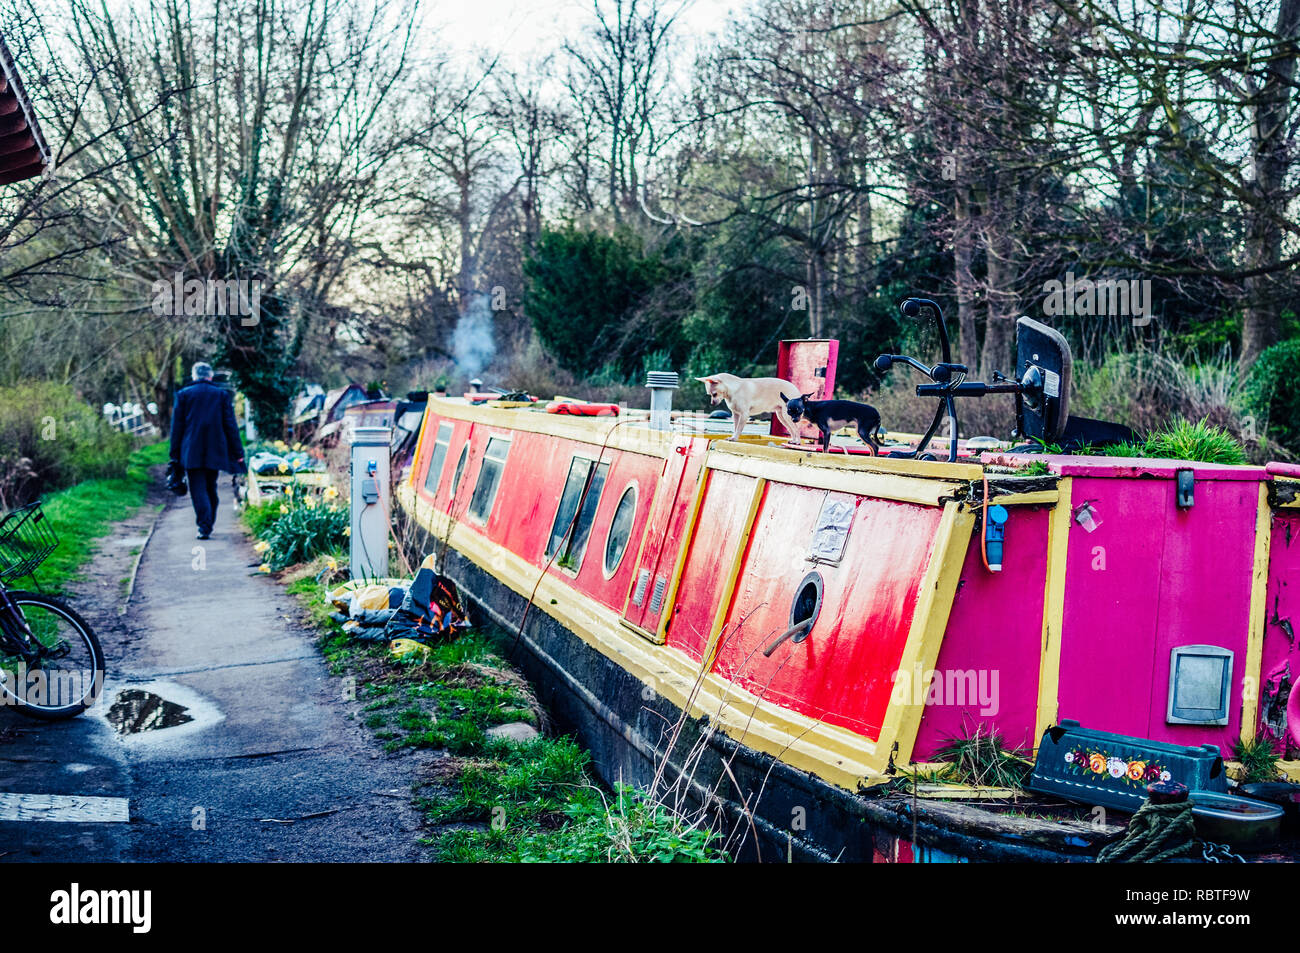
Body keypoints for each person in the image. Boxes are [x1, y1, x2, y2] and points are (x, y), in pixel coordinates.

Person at [170, 362, 245, 540]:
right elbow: (230, 426)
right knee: (211, 486)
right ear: (210, 376)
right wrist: (238, 452)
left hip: (190, 450)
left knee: (198, 489)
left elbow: (177, 429)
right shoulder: (221, 395)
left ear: (194, 376)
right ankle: (208, 522)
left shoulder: (183, 395)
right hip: (215, 449)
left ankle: (204, 526)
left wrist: (174, 455)